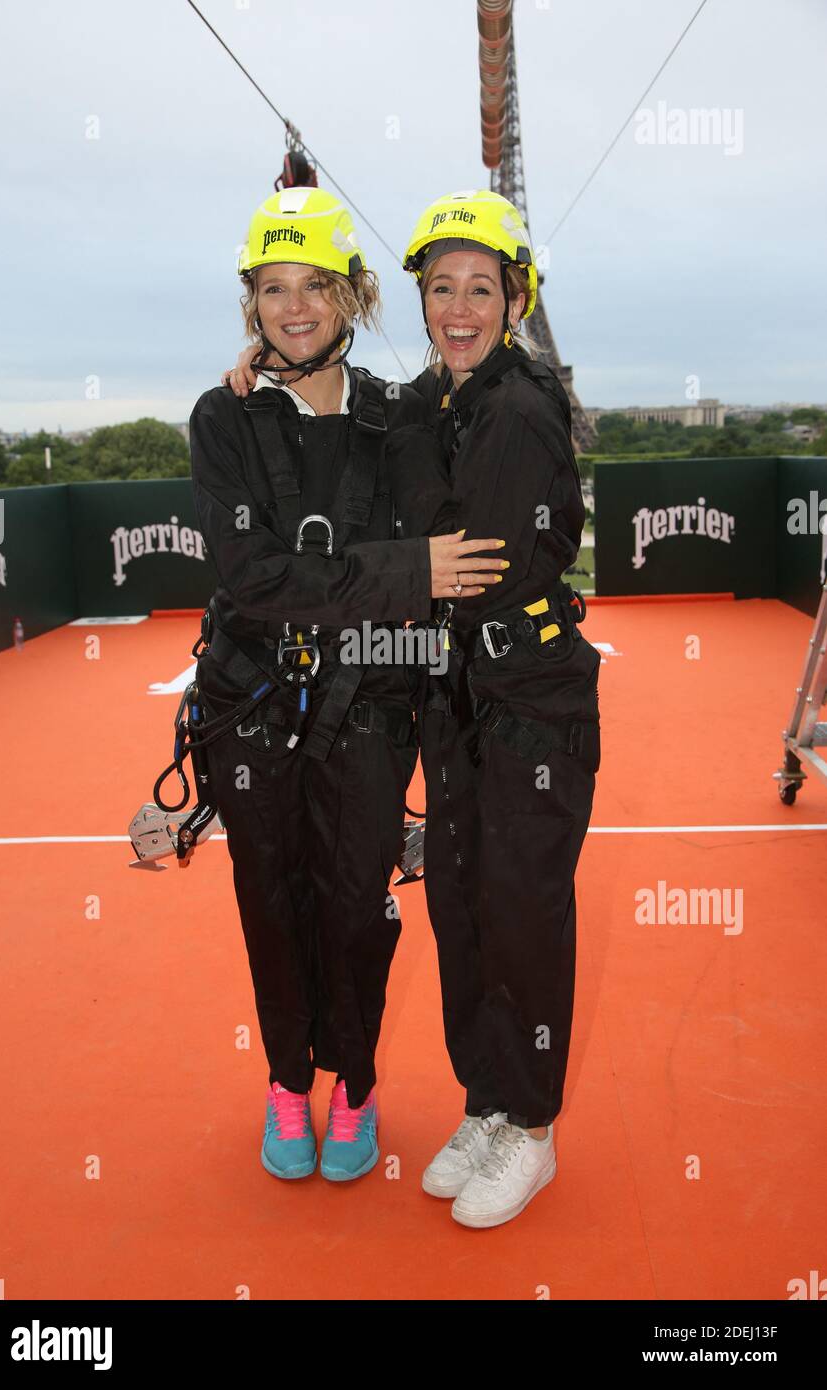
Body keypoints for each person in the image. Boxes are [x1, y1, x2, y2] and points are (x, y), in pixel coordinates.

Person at [189, 186, 505, 1185]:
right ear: (251, 303)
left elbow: (474, 450)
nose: (292, 308)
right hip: (251, 707)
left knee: (353, 905)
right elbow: (255, 579)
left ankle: (355, 1085)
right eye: (272, 289)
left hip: (370, 709)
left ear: (353, 293)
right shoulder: (223, 417)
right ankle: (288, 1081)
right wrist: (405, 570)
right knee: (269, 901)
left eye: (314, 286)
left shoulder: (396, 415)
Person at [401, 189, 602, 1229]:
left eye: (480, 287)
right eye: (441, 287)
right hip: (467, 697)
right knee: (464, 910)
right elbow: (375, 428)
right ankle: (486, 1099)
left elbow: (462, 569)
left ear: (513, 298)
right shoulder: (450, 396)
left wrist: (387, 564)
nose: (458, 305)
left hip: (526, 702)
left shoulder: (513, 409)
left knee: (519, 918)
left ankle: (530, 1127)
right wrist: (271, 386)